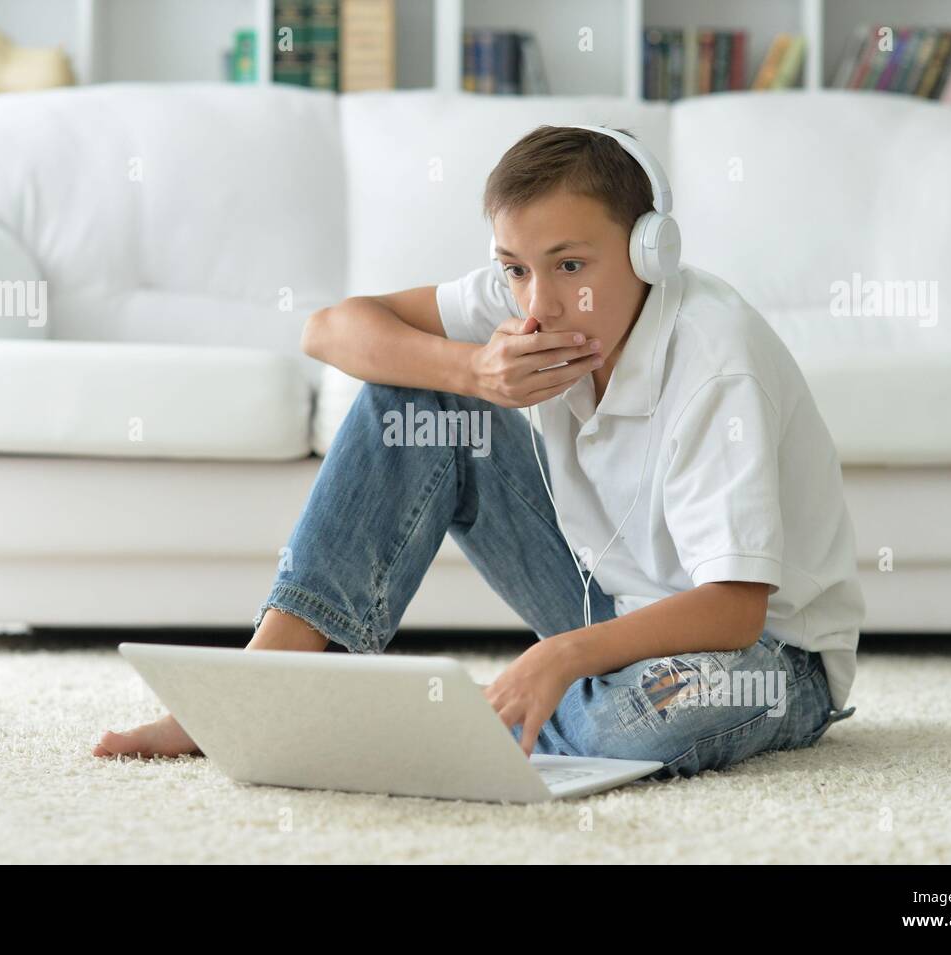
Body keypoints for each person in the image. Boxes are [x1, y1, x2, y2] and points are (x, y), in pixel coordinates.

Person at [95, 124, 862, 778]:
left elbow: (734, 610)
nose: (538, 304)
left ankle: (461, 731)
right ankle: (252, 694)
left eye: (570, 266)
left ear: (649, 252)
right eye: (516, 269)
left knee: (633, 725)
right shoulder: (527, 296)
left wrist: (560, 656)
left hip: (764, 656)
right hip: (612, 603)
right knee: (412, 393)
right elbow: (328, 328)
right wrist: (470, 370)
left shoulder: (715, 359)